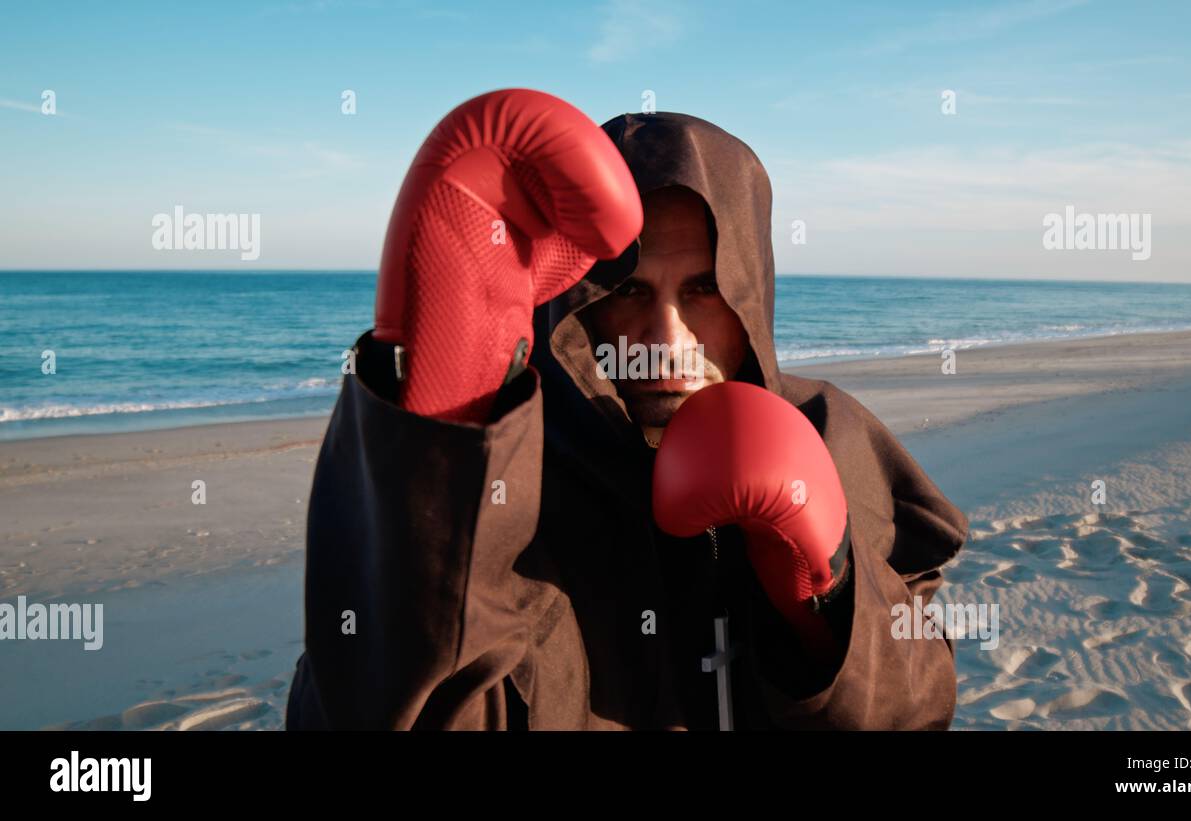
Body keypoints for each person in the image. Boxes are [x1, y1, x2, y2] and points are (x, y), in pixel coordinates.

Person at [286, 89, 968, 730]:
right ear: (575, 304)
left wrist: (826, 593)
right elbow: (371, 706)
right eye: (630, 292)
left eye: (703, 288)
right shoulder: (509, 468)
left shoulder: (828, 431)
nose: (667, 342)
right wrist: (442, 415)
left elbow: (920, 705)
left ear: (751, 290)